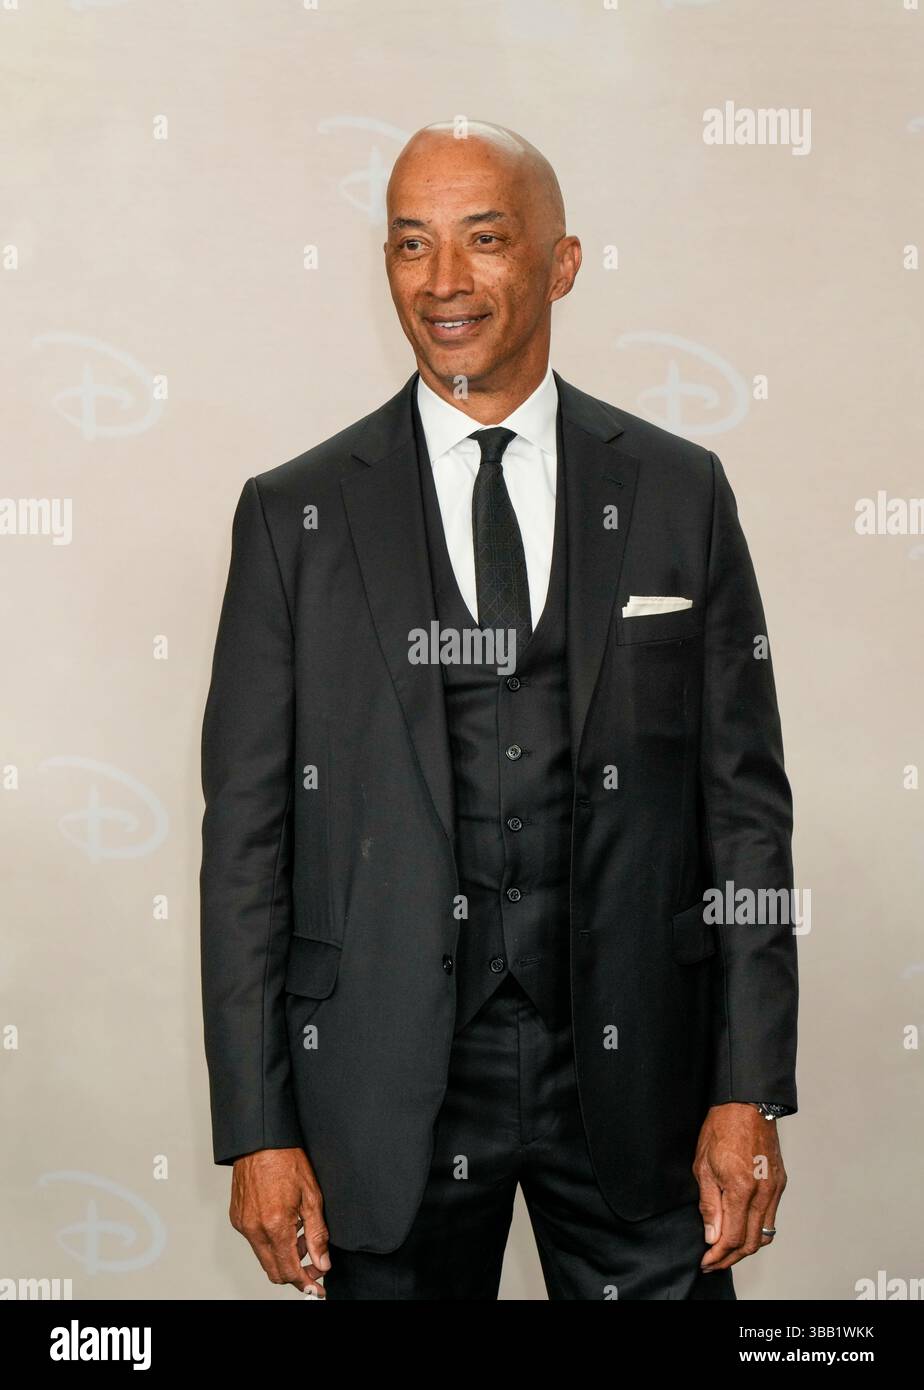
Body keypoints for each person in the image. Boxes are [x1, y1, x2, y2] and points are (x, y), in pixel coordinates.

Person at [199, 120, 798, 1301]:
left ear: (561, 262)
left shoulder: (681, 493)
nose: (443, 282)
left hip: (639, 1076)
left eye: (482, 240)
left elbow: (746, 818)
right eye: (412, 245)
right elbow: (245, 849)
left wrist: (748, 1086)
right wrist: (258, 1129)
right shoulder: (294, 517)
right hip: (385, 1078)